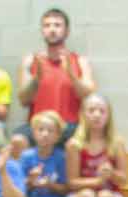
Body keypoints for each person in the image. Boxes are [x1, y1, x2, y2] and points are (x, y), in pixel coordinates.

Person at [16, 7, 95, 136]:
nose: (52, 29)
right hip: (39, 127)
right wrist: (37, 78)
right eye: (47, 25)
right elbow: (23, 100)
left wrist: (72, 75)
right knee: (18, 140)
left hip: (70, 127)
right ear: (42, 30)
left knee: (76, 144)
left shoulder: (80, 61)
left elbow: (88, 97)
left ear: (67, 31)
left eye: (57, 25)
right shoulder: (30, 61)